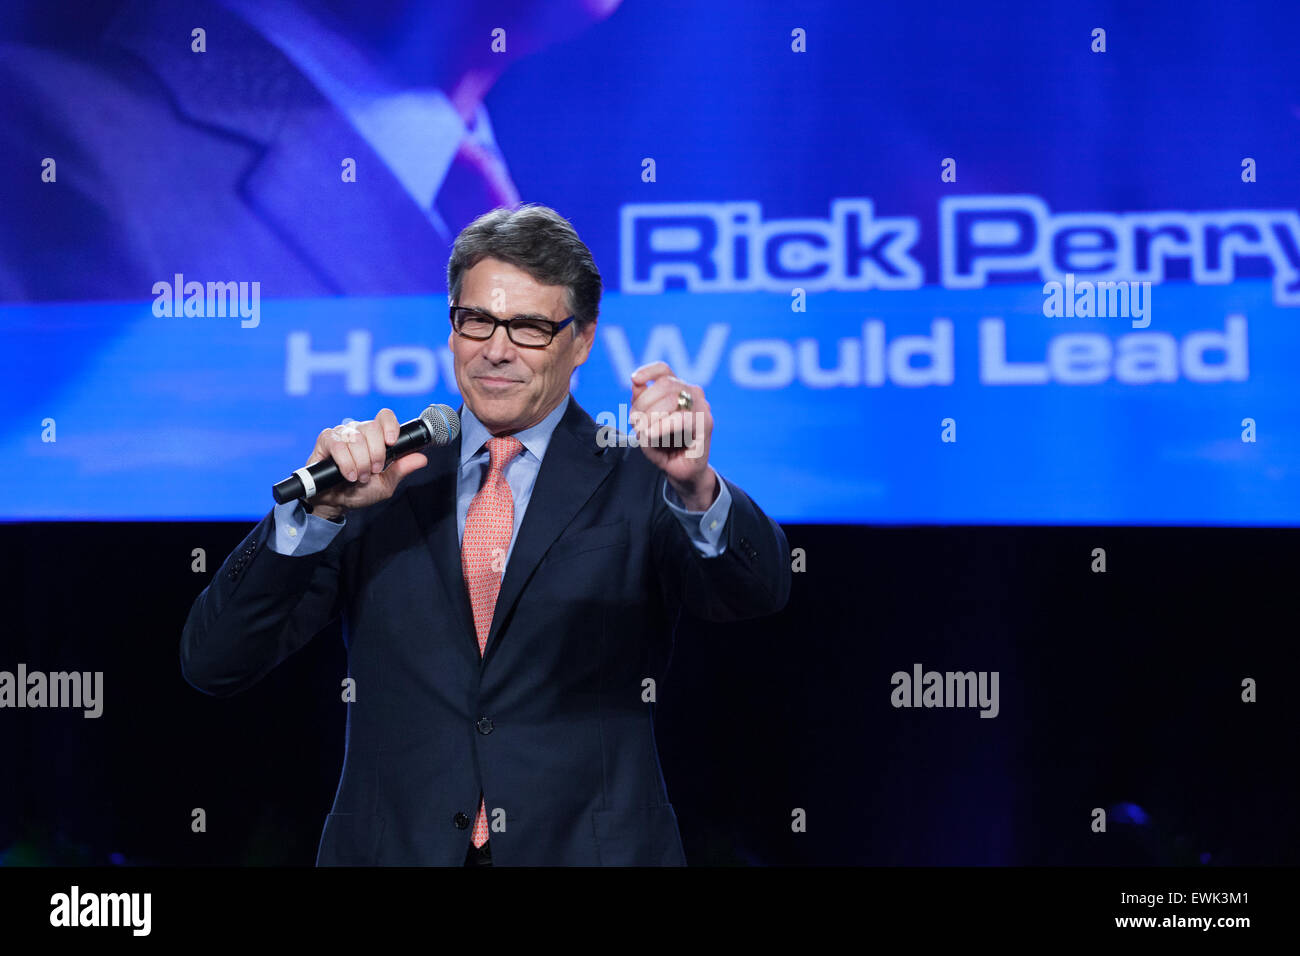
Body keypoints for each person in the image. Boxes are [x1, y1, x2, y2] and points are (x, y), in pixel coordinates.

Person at [180, 204, 791, 866]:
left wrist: (698, 487)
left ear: (581, 340)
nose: (496, 350)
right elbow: (215, 662)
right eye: (477, 321)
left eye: (528, 327)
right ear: (451, 327)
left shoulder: (640, 475)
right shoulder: (382, 481)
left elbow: (758, 592)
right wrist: (316, 514)